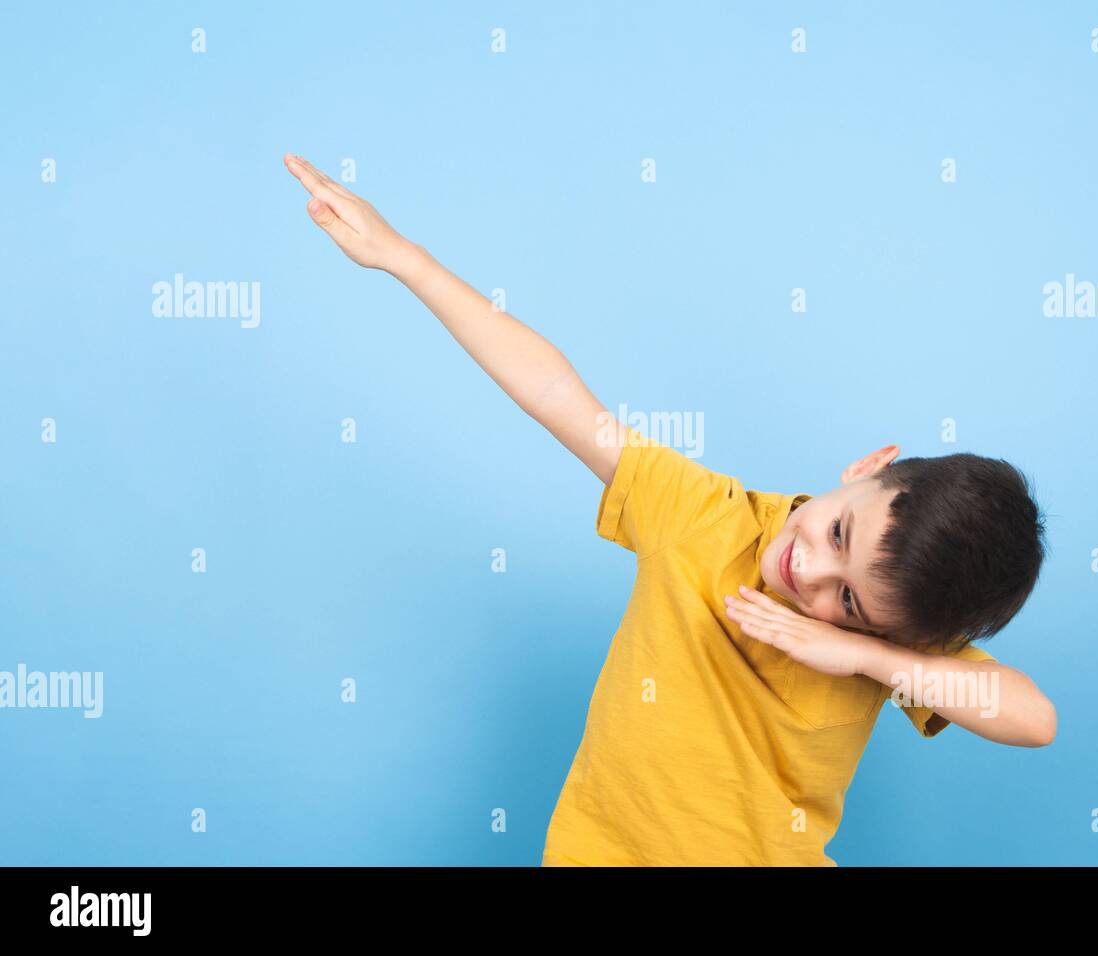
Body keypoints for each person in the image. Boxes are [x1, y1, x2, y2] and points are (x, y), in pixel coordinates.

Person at [282, 154, 1057, 866]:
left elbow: (1033, 719)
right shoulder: (700, 514)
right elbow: (557, 395)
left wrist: (869, 658)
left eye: (847, 599)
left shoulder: (895, 639)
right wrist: (405, 260)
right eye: (836, 531)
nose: (811, 573)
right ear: (868, 468)